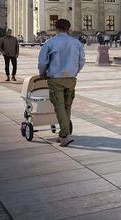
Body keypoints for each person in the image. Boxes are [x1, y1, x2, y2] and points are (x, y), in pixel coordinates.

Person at [37, 19, 85, 147]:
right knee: (67, 106)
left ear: (55, 28)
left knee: (59, 106)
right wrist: (75, 72)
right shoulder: (76, 43)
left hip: (55, 78)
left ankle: (65, 134)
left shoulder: (50, 43)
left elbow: (42, 62)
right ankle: (63, 134)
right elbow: (81, 61)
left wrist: (42, 73)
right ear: (69, 28)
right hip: (71, 78)